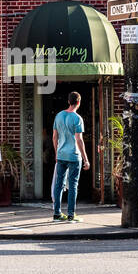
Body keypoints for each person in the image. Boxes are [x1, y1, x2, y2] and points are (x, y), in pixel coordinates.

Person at [51, 92, 90, 221]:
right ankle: (71, 214)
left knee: (59, 184)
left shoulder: (58, 116)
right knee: (73, 185)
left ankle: (57, 213)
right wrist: (86, 159)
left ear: (69, 101)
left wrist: (56, 152)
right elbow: (79, 140)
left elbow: (54, 137)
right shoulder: (77, 118)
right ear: (78, 102)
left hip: (61, 154)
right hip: (74, 155)